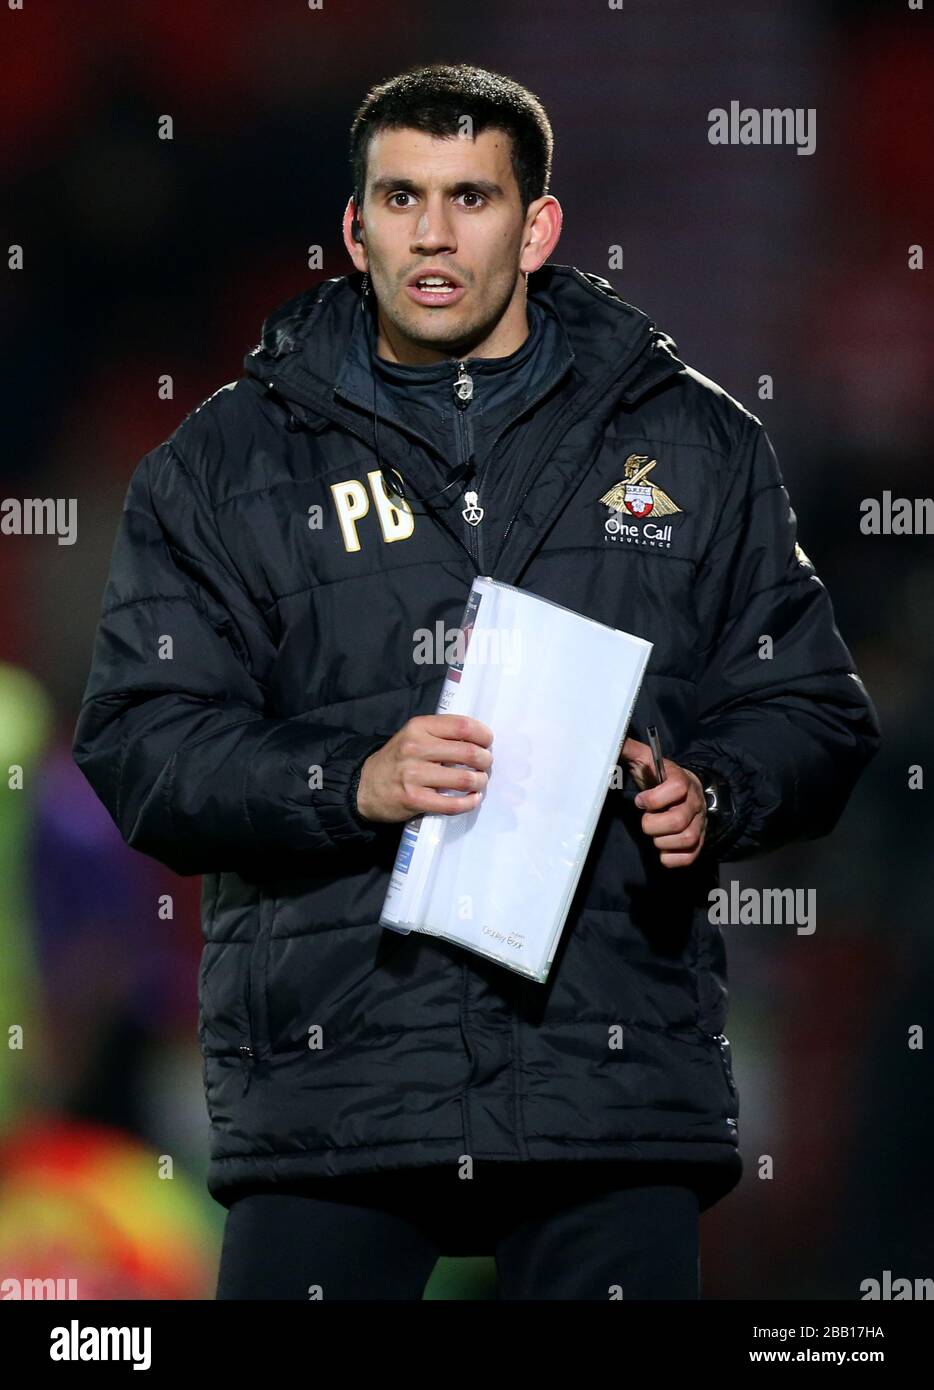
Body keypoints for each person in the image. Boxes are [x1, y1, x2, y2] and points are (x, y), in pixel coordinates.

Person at [72, 62, 881, 1300]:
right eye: (400, 198)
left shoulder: (695, 440)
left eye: (470, 197)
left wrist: (712, 791)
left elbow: (814, 710)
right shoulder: (221, 466)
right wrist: (354, 779)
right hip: (336, 1093)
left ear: (538, 224)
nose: (433, 234)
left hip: (604, 1093)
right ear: (353, 227)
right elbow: (138, 742)